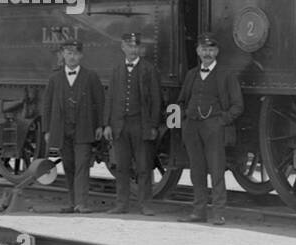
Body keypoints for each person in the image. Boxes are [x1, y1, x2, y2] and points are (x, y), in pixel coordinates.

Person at [176, 32, 242, 224]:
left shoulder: (226, 75)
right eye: (204, 49)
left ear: (217, 52)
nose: (207, 53)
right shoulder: (191, 75)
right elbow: (182, 100)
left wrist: (221, 121)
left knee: (216, 170)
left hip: (214, 127)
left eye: (211, 49)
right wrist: (185, 116)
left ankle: (218, 213)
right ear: (198, 51)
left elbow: (238, 105)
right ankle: (199, 211)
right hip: (192, 127)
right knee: (196, 171)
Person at [100, 32, 163, 215]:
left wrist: (152, 125)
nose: (133, 50)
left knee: (144, 167)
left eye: (136, 47)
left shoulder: (148, 69)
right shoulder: (117, 69)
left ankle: (145, 205)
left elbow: (156, 99)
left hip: (141, 124)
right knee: (122, 167)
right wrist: (108, 124)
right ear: (123, 47)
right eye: (129, 46)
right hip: (120, 125)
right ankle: (122, 204)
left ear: (139, 49)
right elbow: (110, 98)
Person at [40, 38, 104, 213]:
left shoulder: (91, 76)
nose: (72, 57)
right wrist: (47, 129)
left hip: (84, 129)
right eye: (69, 53)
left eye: (75, 53)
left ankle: (81, 203)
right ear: (63, 55)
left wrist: (100, 125)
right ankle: (72, 202)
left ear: (81, 55)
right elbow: (46, 106)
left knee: (82, 165)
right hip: (62, 130)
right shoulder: (54, 78)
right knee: (68, 166)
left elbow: (100, 102)